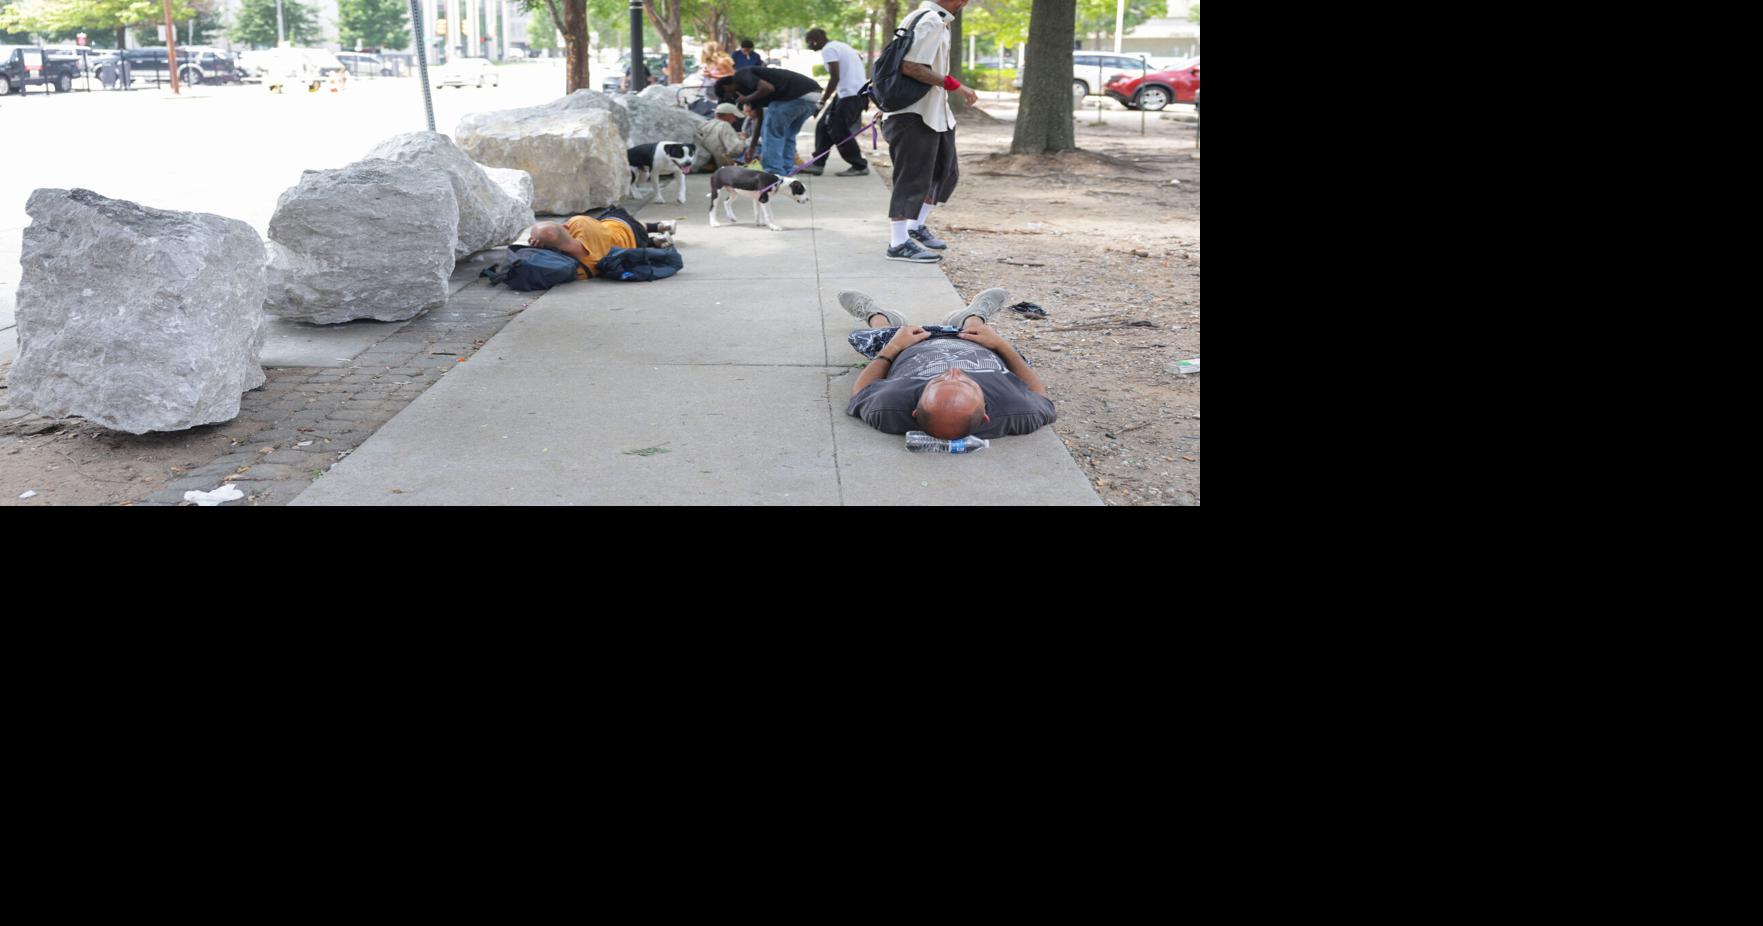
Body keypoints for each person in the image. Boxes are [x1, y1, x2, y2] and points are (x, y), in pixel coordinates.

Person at [839, 288, 1056, 440]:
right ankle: (972, 316)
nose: (953, 371)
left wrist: (894, 346)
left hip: (910, 343)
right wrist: (1000, 344)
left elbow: (860, 391)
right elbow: (1040, 395)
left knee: (879, 335)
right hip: (976, 342)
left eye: (937, 381)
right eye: (969, 384)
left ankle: (876, 315)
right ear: (986, 414)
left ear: (915, 410)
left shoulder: (889, 407)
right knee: (978, 329)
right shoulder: (1016, 410)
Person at [879, 0, 979, 264]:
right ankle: (898, 242)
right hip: (914, 113)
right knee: (911, 176)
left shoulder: (937, 20)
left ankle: (914, 226)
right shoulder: (930, 20)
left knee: (945, 172)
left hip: (934, 113)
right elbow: (911, 66)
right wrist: (956, 86)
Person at [713, 66, 821, 178]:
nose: (732, 96)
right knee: (787, 135)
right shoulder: (750, 91)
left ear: (726, 86)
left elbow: (767, 88)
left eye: (728, 94)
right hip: (811, 98)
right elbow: (759, 118)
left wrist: (746, 99)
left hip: (795, 95)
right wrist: (752, 147)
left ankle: (773, 172)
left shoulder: (740, 75)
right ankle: (787, 170)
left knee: (771, 134)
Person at [527, 209, 679, 279]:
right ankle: (659, 226)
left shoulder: (584, 269)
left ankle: (656, 241)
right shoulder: (579, 222)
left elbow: (556, 244)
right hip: (624, 226)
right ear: (564, 227)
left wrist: (542, 247)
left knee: (616, 238)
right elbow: (560, 232)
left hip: (635, 245)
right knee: (608, 220)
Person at [803, 28, 869, 178]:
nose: (809, 46)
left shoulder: (828, 50)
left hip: (851, 95)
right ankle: (818, 164)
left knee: (839, 131)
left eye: (809, 42)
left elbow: (835, 76)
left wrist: (821, 102)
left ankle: (859, 165)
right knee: (823, 126)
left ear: (815, 40)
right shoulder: (840, 45)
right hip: (849, 93)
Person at [693, 102, 749, 172]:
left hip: (700, 162)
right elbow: (735, 149)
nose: (735, 120)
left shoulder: (705, 124)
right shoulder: (724, 125)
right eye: (734, 116)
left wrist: (736, 135)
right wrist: (745, 140)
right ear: (728, 115)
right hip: (721, 165)